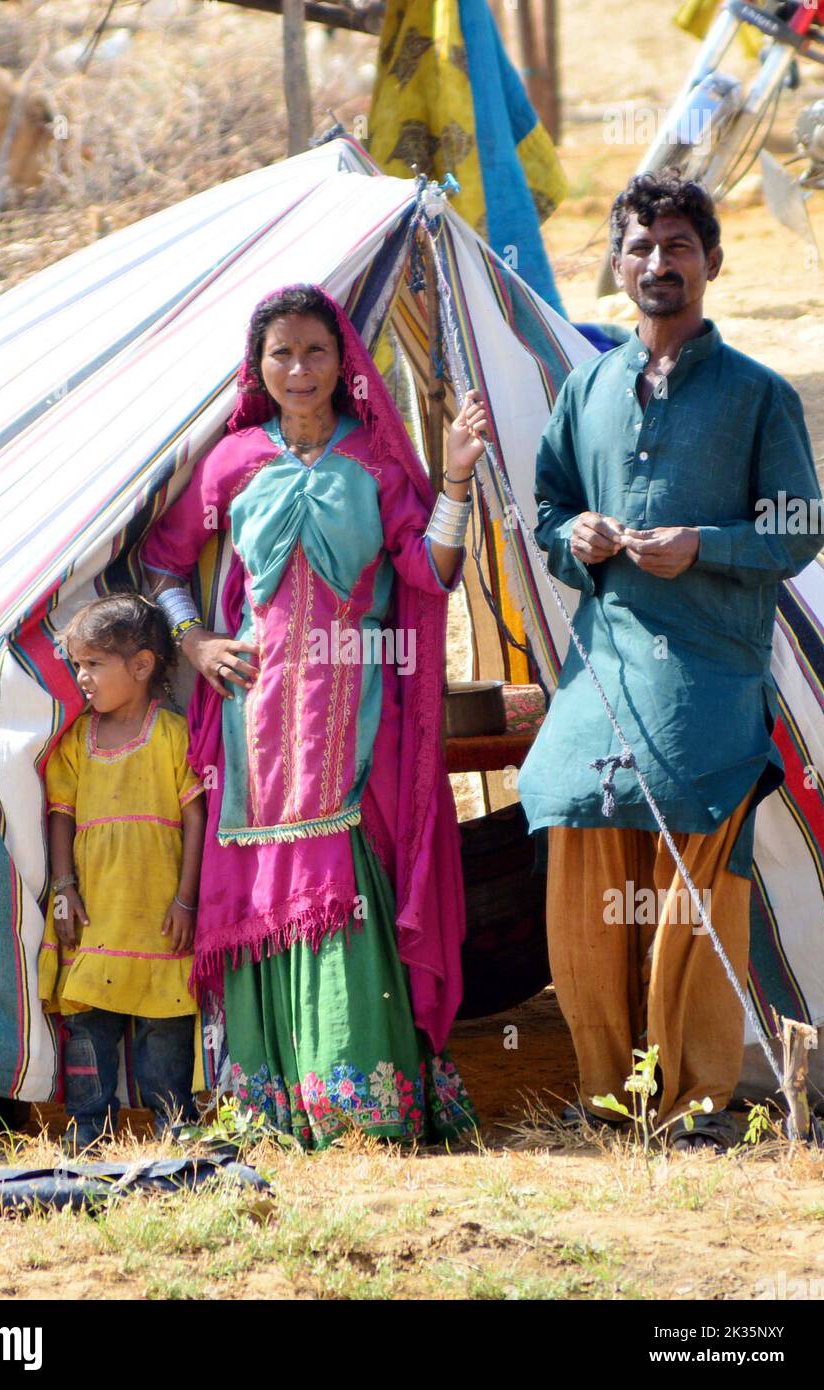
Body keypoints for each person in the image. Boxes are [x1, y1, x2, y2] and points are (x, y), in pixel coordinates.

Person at [518, 171, 824, 1151]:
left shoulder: (756, 397)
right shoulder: (586, 388)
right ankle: (607, 1095)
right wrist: (585, 538)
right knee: (578, 864)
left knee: (695, 902)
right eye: (641, 247)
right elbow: (549, 513)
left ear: (710, 261)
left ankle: (697, 1102)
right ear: (617, 263)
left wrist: (707, 544)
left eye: (677, 246)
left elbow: (797, 528)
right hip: (601, 682)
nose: (658, 264)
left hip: (706, 682)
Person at [140, 283, 486, 1149]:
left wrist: (452, 476)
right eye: (280, 354)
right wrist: (194, 643)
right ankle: (268, 1105)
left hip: (355, 709)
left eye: (315, 352)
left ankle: (358, 1109)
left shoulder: (373, 461)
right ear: (257, 367)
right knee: (262, 887)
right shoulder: (229, 463)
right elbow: (161, 561)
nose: (298, 369)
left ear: (344, 364)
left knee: (345, 882)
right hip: (253, 715)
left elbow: (429, 571)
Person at [38, 593, 206, 1153]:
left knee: (164, 1029)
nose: (81, 677)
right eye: (79, 664)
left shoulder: (172, 736)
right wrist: (63, 889)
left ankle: (173, 1125)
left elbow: (195, 816)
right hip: (96, 920)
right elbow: (60, 819)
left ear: (141, 665)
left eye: (94, 664)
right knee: (87, 1026)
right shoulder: (75, 743)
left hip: (159, 921)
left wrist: (186, 901)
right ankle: (90, 1129)